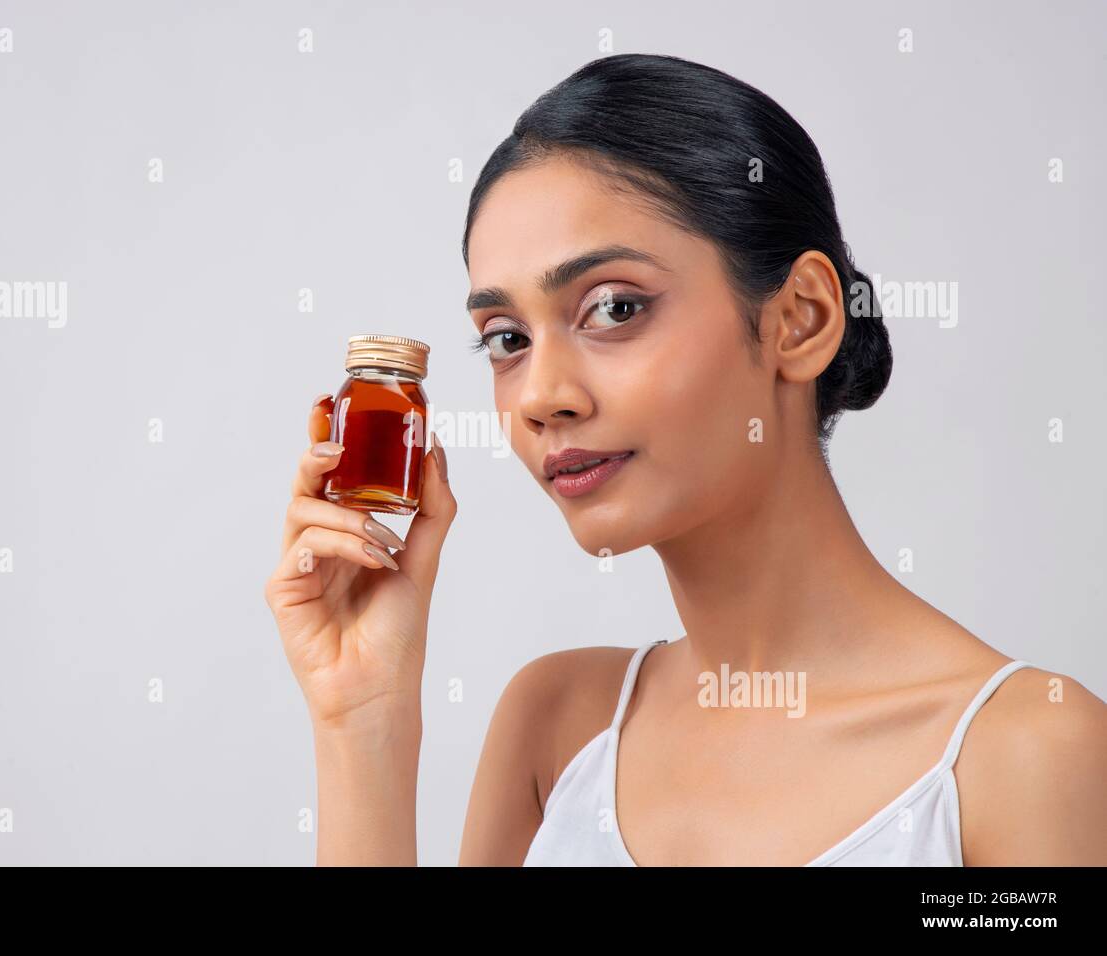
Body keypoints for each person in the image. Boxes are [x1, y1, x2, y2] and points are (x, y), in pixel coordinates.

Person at [264, 53, 1107, 866]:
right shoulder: (558, 728)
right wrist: (360, 722)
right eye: (507, 339)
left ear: (802, 319)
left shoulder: (1023, 755)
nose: (539, 397)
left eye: (614, 307)